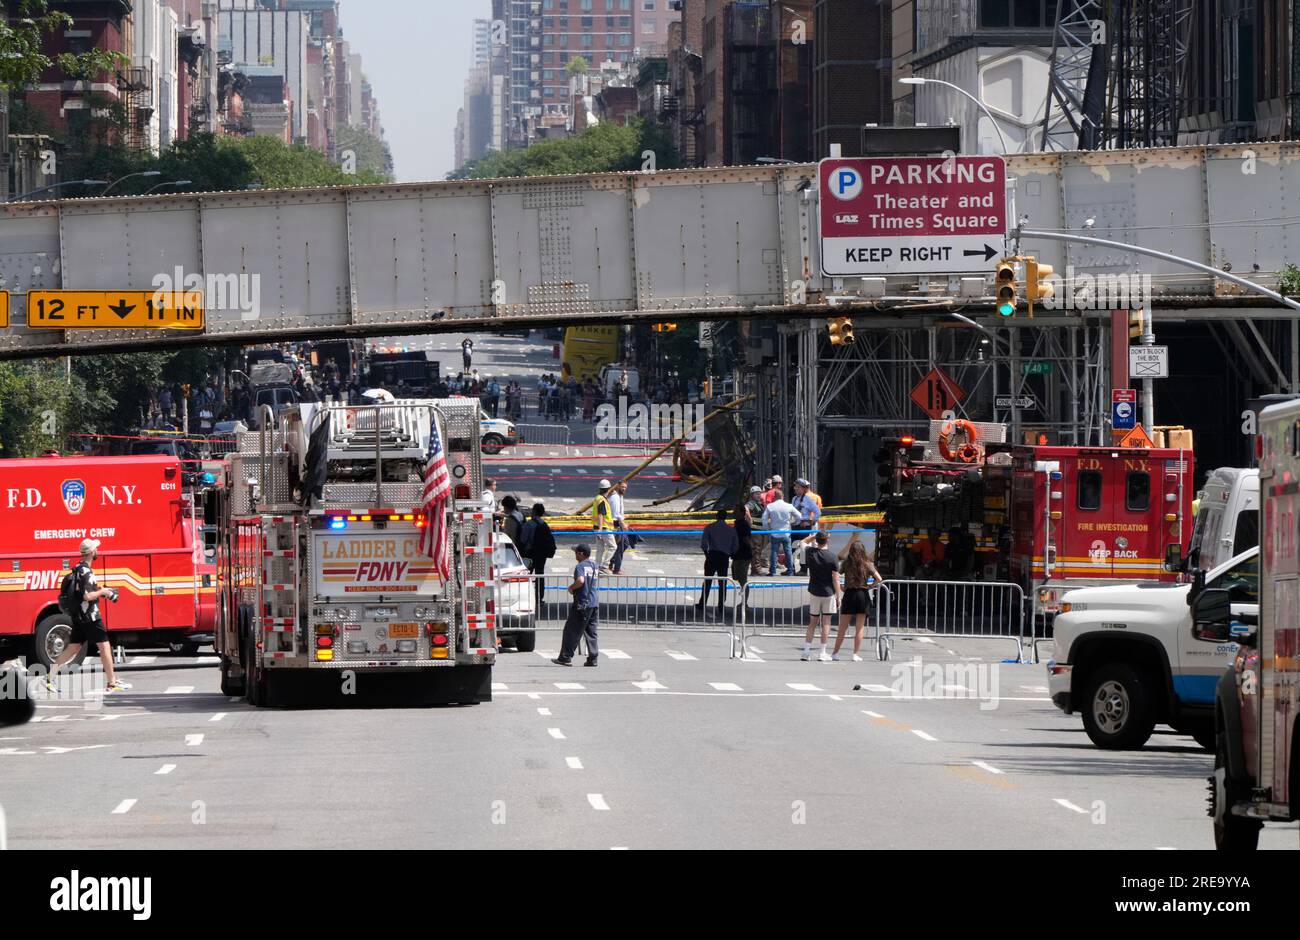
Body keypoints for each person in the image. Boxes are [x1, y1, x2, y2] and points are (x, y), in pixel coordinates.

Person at [45, 539, 131, 693]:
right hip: (90, 616)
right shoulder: (86, 571)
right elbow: (87, 596)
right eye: (96, 549)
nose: (98, 551)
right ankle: (112, 683)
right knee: (104, 646)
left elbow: (84, 591)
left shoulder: (77, 568)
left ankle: (49, 678)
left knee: (73, 647)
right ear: (91, 552)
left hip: (79, 616)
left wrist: (103, 591)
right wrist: (103, 592)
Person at [832, 539, 885, 662]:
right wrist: (871, 586)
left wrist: (841, 587)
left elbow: (836, 575)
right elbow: (879, 578)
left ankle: (835, 653)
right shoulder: (867, 563)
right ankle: (855, 654)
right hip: (863, 594)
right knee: (859, 627)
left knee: (843, 627)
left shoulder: (846, 563)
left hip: (849, 594)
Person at [553, 544, 599, 667]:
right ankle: (593, 658)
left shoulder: (580, 566)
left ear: (582, 554)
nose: (575, 555)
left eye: (577, 553)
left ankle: (565, 657)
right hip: (593, 602)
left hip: (582, 603)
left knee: (571, 630)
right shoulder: (594, 565)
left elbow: (580, 581)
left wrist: (571, 588)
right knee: (591, 631)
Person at [802, 531, 841, 662]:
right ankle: (822, 652)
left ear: (817, 540)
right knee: (826, 623)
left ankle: (806, 651)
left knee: (812, 622)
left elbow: (802, 542)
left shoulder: (811, 552)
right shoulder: (833, 557)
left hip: (814, 591)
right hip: (828, 592)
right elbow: (836, 579)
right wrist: (839, 596)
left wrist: (812, 537)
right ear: (827, 541)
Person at [696, 508, 739, 617]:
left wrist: (707, 554)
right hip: (724, 557)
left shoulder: (710, 527)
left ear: (716, 516)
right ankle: (721, 605)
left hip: (712, 555)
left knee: (707, 581)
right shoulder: (731, 530)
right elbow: (735, 546)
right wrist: (730, 553)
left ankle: (702, 603)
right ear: (726, 517)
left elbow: (704, 543)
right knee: (723, 582)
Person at [519, 503, 557, 610]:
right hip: (541, 554)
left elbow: (523, 539)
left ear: (534, 512)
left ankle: (525, 597)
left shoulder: (529, 524)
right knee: (540, 575)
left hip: (530, 553)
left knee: (526, 575)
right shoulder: (544, 524)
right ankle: (539, 598)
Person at [761, 488, 799, 576]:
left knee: (774, 551)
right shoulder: (789, 506)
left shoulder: (770, 506)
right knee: (788, 552)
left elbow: (764, 519)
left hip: (774, 533)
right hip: (786, 532)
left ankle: (772, 571)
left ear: (774, 497)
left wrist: (768, 528)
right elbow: (799, 516)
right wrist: (794, 523)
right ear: (783, 496)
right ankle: (790, 570)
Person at [790, 478, 823, 573]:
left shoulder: (808, 499)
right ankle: (791, 569)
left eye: (798, 487)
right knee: (793, 547)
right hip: (795, 526)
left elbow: (818, 512)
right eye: (795, 486)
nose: (795, 488)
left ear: (803, 488)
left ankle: (803, 570)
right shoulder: (794, 499)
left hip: (804, 527)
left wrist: (810, 521)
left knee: (803, 548)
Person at [731, 503, 754, 614]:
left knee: (743, 580)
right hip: (738, 555)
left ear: (741, 512)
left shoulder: (743, 524)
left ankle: (745, 602)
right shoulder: (738, 523)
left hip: (743, 555)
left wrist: (751, 550)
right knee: (739, 578)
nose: (733, 513)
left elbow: (746, 539)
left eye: (736, 511)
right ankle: (744, 601)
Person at [591, 480, 618, 572]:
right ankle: (605, 566)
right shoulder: (602, 500)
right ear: (608, 489)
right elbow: (600, 514)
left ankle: (596, 567)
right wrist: (600, 529)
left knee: (600, 549)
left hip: (596, 527)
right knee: (613, 546)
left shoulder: (598, 498)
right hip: (603, 528)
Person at [745, 486, 769, 574]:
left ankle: (755, 568)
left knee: (758, 550)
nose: (759, 495)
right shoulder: (751, 503)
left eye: (760, 493)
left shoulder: (759, 503)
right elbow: (745, 509)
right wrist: (750, 520)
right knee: (756, 550)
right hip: (755, 531)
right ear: (752, 495)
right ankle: (756, 569)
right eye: (757, 493)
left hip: (760, 530)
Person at [608, 480, 629, 574]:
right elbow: (616, 513)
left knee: (624, 544)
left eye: (625, 487)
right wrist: (623, 523)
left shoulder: (620, 497)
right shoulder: (615, 497)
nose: (624, 489)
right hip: (615, 524)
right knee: (620, 546)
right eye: (622, 487)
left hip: (619, 523)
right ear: (617, 487)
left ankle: (611, 561)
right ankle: (617, 568)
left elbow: (621, 512)